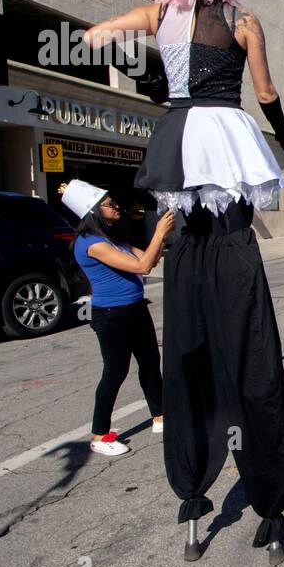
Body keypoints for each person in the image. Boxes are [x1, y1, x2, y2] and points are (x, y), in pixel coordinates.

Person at [84, 0, 284, 565]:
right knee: (244, 328)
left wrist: (125, 53)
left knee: (188, 328)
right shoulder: (241, 23)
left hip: (181, 145)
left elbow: (100, 33)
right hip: (222, 150)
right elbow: (263, 91)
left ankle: (200, 479)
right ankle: (251, 485)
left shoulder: (158, 16)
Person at [61, 180, 174, 456]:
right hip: (111, 315)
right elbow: (142, 265)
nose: (116, 207)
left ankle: (160, 417)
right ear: (93, 211)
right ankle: (100, 435)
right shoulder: (91, 243)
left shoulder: (114, 241)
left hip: (135, 308)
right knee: (115, 371)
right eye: (110, 203)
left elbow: (151, 259)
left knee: (149, 362)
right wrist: (158, 232)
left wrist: (162, 234)